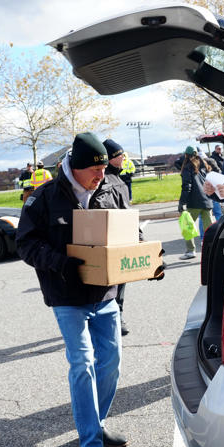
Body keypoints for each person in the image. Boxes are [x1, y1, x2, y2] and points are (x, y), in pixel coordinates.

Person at [16, 132, 128, 447]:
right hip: (67, 298)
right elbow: (26, 244)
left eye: (103, 167)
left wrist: (145, 260)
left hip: (106, 295)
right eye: (95, 169)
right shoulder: (44, 198)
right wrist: (60, 261)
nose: (102, 174)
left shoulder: (113, 187)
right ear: (75, 168)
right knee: (83, 365)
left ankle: (98, 423)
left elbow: (128, 233)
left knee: (111, 363)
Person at [100, 139, 142, 336]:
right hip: (112, 240)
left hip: (121, 240)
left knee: (120, 282)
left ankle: (116, 315)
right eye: (119, 155)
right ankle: (113, 317)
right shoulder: (106, 181)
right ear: (109, 159)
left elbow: (129, 213)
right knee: (112, 284)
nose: (123, 158)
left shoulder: (118, 179)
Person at [178, 146, 214, 260]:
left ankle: (190, 251)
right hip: (207, 200)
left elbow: (186, 186)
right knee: (210, 228)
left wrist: (182, 202)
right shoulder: (204, 166)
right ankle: (212, 250)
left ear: (186, 155)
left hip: (194, 202)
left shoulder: (187, 168)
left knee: (187, 226)